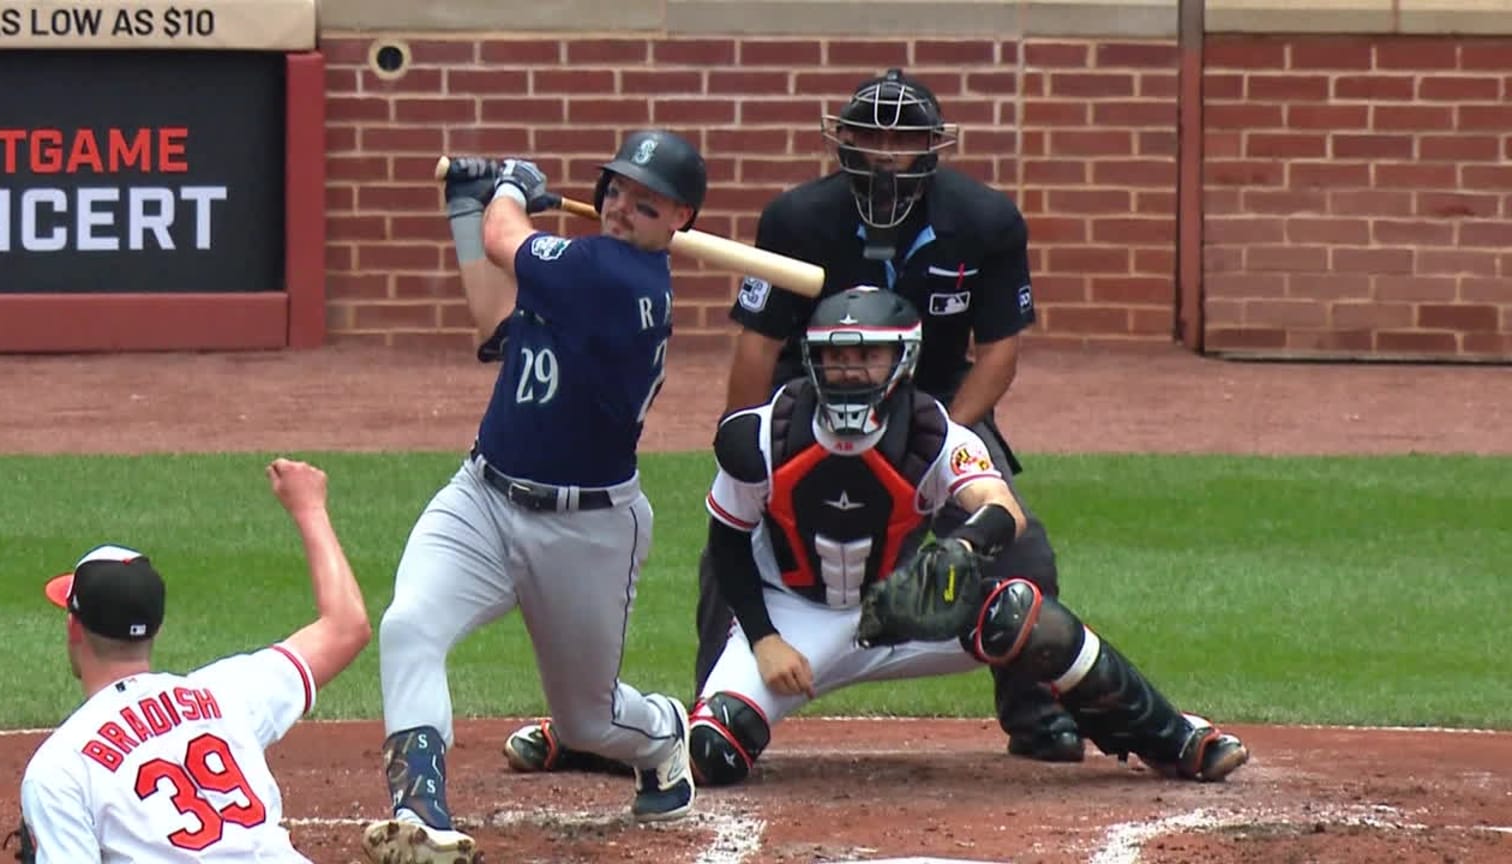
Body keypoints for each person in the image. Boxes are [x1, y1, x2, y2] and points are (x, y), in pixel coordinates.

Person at [504, 66, 1081, 773]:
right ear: (841, 141)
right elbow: (759, 343)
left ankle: (1035, 710)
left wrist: (940, 440)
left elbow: (997, 354)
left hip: (936, 400)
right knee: (737, 540)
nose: (882, 153)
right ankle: (707, 708)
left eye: (900, 140)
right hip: (811, 400)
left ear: (934, 147)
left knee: (1021, 549)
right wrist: (742, 446)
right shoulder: (797, 219)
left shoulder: (986, 221)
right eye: (867, 135)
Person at [582, 289, 1250, 788]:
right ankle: (590, 735)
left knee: (1024, 616)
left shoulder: (934, 434)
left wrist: (962, 548)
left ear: (899, 361)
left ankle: (1172, 736)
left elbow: (999, 507)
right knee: (712, 756)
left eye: (865, 356)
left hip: (901, 610)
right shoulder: (762, 434)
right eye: (836, 357)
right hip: (792, 621)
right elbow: (726, 546)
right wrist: (764, 638)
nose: (849, 370)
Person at [361, 130, 708, 864]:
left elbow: (503, 236)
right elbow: (496, 322)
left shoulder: (615, 278)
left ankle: (664, 731)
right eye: (616, 191)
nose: (620, 209)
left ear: (681, 218)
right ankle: (418, 811)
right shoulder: (586, 273)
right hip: (482, 498)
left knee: (588, 723)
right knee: (410, 625)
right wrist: (468, 202)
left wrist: (510, 187)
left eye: (645, 204)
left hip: (587, 530)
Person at [15, 459, 371, 863]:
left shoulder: (59, 768)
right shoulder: (227, 693)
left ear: (74, 627)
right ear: (157, 628)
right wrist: (309, 508)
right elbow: (346, 627)